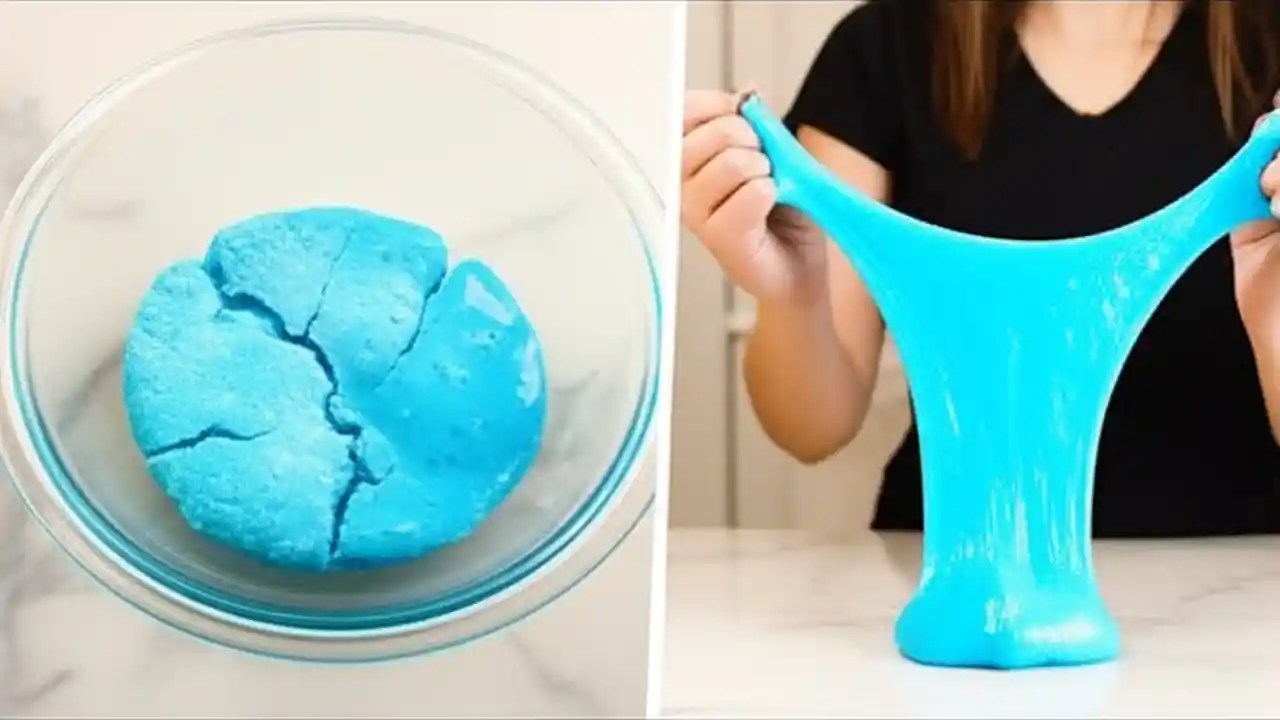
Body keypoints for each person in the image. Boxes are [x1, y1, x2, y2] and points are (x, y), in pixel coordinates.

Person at [680, 0, 1280, 537]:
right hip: (950, 582)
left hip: (1246, 589)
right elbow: (810, 427)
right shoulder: (883, 48)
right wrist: (795, 295)